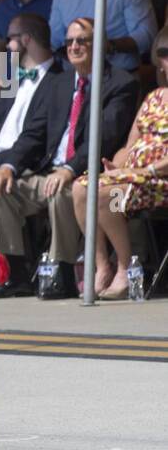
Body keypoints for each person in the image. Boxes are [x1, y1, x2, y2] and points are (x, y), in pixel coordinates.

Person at [0, 18, 139, 297]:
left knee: (62, 191)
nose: (75, 46)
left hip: (87, 173)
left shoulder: (120, 83)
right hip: (46, 170)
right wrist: (8, 166)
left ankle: (63, 271)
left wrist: (69, 169)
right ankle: (16, 271)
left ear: (101, 45)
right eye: (69, 41)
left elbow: (102, 137)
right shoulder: (58, 82)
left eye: (83, 40)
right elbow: (34, 133)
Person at [72, 27, 168, 299]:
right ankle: (102, 263)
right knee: (82, 188)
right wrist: (116, 165)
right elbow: (130, 144)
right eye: (163, 54)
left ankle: (126, 266)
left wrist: (146, 169)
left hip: (159, 179)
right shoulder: (154, 98)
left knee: (106, 194)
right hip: (134, 178)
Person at [0, 13, 58, 163]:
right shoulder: (14, 78)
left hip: (24, 165)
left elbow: (38, 137)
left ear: (26, 39)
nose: (7, 46)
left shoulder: (58, 81)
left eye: (10, 39)